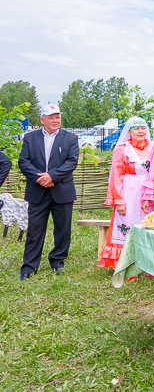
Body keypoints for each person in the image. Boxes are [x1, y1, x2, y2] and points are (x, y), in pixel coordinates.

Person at [18, 104, 79, 280]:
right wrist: (40, 178)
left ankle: (57, 262)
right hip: (37, 191)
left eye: (57, 116)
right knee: (35, 230)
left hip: (63, 191)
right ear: (42, 119)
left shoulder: (71, 138)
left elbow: (71, 162)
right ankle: (29, 267)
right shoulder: (30, 138)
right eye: (51, 117)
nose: (55, 120)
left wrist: (51, 176)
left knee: (63, 229)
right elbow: (24, 162)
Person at [98, 117, 153, 269]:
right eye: (136, 128)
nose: (140, 131)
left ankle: (146, 264)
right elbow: (116, 177)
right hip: (129, 191)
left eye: (143, 128)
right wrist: (119, 201)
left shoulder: (153, 147)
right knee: (127, 224)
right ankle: (126, 264)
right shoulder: (123, 149)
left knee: (148, 225)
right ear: (129, 131)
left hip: (148, 193)